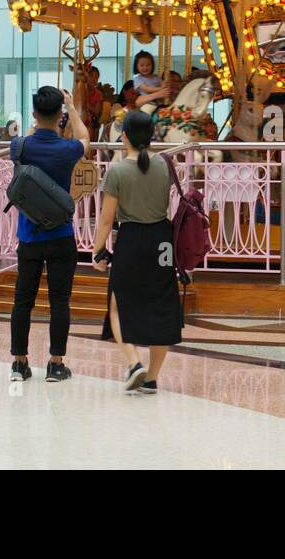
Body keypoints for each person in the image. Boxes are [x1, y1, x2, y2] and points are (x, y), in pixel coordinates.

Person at [91, 110, 183, 395]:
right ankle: (153, 377)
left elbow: (107, 219)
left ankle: (134, 364)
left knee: (119, 303)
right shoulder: (165, 165)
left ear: (125, 136)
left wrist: (97, 253)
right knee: (162, 303)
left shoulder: (117, 171)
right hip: (162, 240)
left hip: (131, 239)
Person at [9, 86, 89, 383]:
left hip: (29, 235)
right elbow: (85, 140)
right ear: (60, 115)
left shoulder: (20, 146)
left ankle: (19, 362)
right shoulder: (66, 150)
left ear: (33, 114)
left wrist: (37, 122)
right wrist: (72, 107)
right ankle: (56, 363)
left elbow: (27, 137)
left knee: (22, 300)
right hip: (60, 233)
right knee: (59, 300)